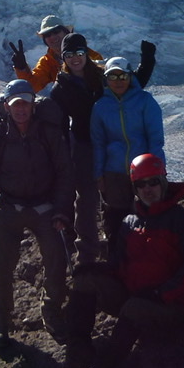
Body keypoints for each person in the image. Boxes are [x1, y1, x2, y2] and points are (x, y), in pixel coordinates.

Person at [56, 154, 184, 368]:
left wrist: (163, 293)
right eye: (141, 184)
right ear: (134, 188)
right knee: (85, 281)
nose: (148, 189)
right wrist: (97, 270)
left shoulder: (182, 220)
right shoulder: (130, 222)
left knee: (133, 307)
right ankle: (75, 361)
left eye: (153, 182)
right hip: (134, 297)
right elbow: (119, 265)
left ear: (163, 182)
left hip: (169, 305)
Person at [0, 79, 74, 348]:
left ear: (33, 105)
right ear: (7, 106)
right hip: (8, 206)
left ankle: (51, 312)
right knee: (3, 263)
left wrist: (62, 212)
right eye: (15, 104)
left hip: (45, 206)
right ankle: (0, 322)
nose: (21, 109)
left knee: (55, 259)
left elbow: (65, 173)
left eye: (25, 104)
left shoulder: (49, 134)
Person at [90, 57, 164, 250]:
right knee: (115, 220)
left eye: (123, 75)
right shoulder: (100, 106)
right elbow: (98, 143)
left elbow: (155, 139)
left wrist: (158, 171)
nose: (118, 80)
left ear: (130, 77)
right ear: (106, 79)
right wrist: (99, 174)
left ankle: (149, 261)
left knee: (147, 217)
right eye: (113, 76)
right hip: (113, 173)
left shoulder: (145, 101)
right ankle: (118, 263)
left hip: (144, 172)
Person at [49, 32, 107, 261]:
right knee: (86, 199)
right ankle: (87, 252)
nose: (75, 58)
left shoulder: (102, 78)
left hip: (108, 143)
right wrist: (64, 159)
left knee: (116, 195)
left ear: (86, 53)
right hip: (82, 145)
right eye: (70, 54)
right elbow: (61, 128)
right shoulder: (60, 88)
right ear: (63, 58)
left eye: (79, 53)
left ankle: (122, 245)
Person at [7, 15, 157, 93]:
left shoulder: (92, 57)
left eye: (55, 32)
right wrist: (21, 68)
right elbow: (33, 86)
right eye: (47, 35)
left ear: (66, 32)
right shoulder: (47, 62)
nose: (52, 37)